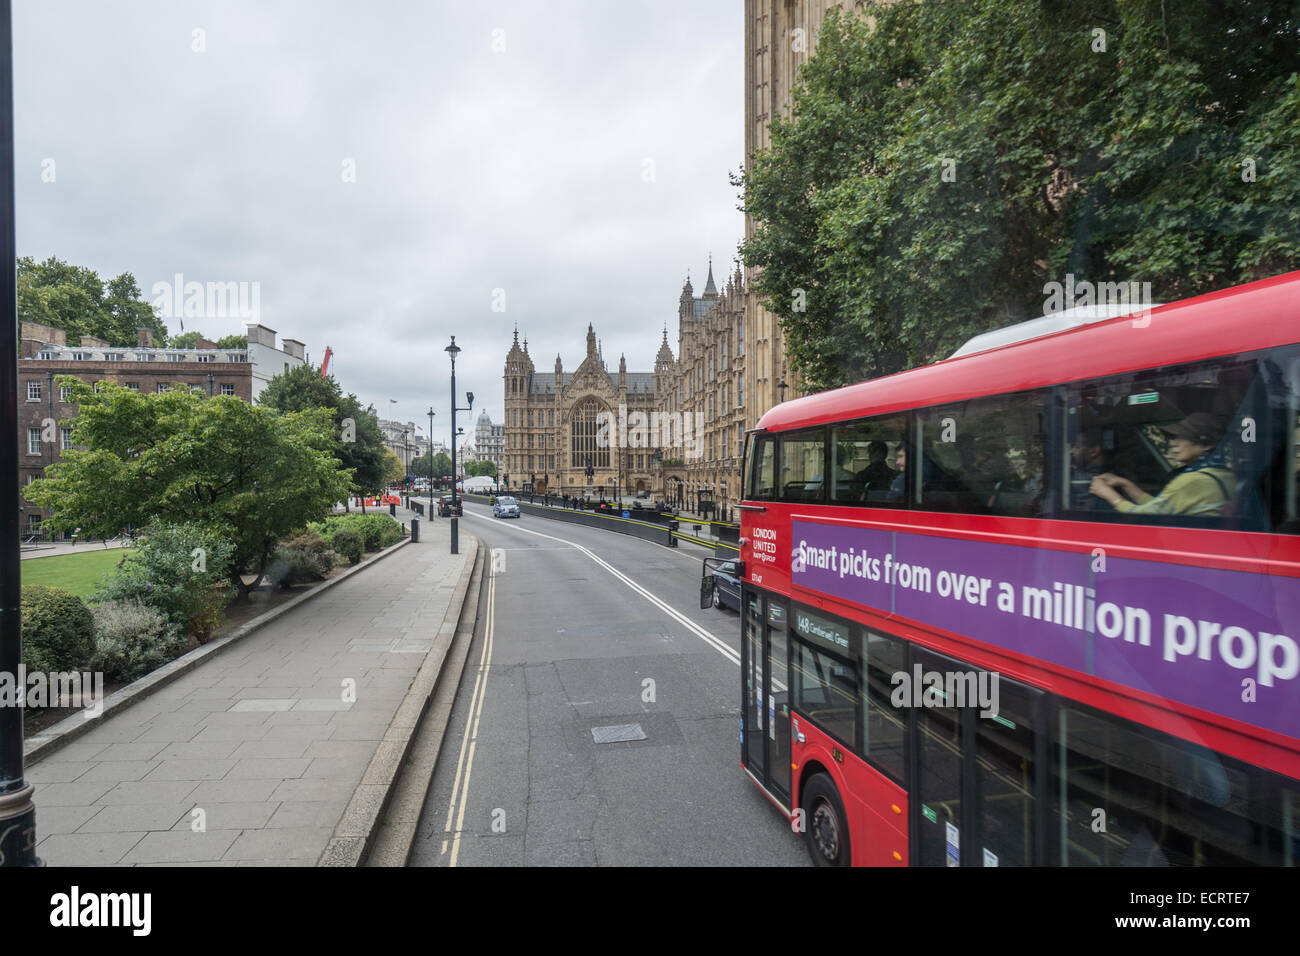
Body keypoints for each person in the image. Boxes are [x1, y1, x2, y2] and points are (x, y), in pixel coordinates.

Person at [1090, 413, 1232, 516]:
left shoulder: (1193, 481)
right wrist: (1125, 484)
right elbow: (1162, 506)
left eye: (1183, 437)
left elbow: (1147, 517)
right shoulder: (1222, 474)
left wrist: (1109, 495)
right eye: (1173, 438)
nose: (1173, 443)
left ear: (1206, 445)